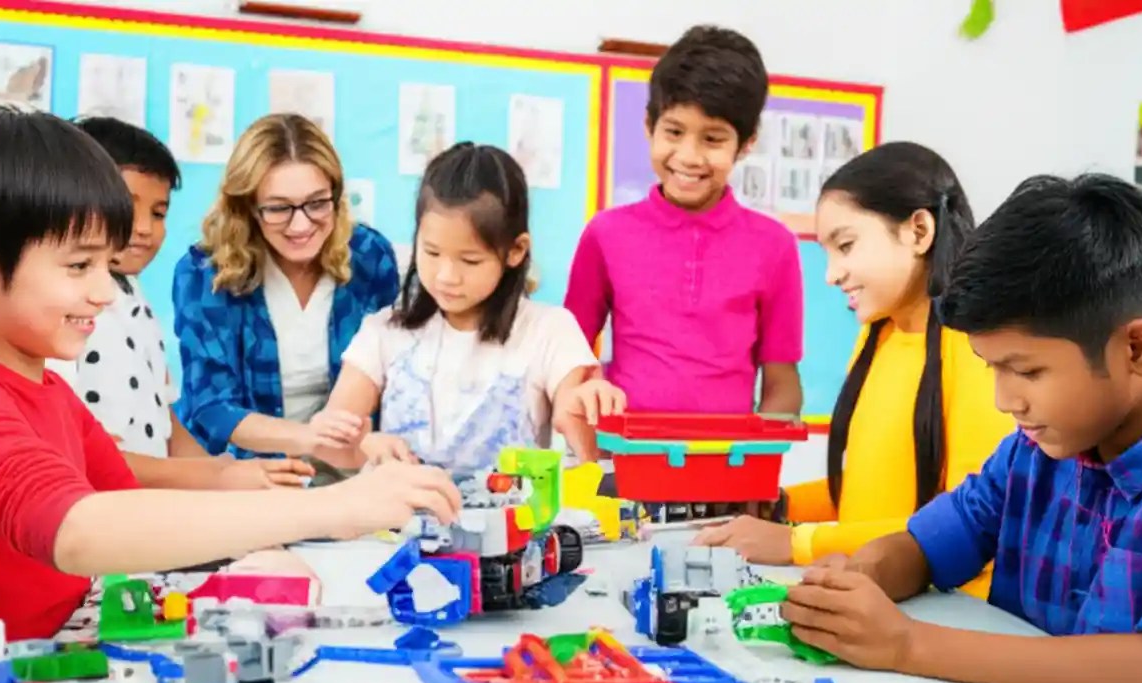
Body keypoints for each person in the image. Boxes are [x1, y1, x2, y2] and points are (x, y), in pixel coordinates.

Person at [0, 106, 460, 661]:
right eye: (78, 267)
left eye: (104, 266)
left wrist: (252, 530)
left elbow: (139, 500)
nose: (106, 292)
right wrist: (335, 507)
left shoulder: (45, 390)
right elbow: (79, 530)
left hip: (59, 639)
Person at [781, 174, 1142, 683]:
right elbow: (925, 546)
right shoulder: (1029, 456)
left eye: (1026, 371)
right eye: (992, 368)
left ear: (1138, 349)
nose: (1005, 400)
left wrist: (908, 645)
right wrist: (858, 580)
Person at [694, 143, 1013, 598]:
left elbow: (966, 524)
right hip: (877, 596)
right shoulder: (875, 337)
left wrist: (797, 542)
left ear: (918, 231)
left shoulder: (975, 350)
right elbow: (870, 493)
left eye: (846, 246)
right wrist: (784, 506)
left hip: (950, 608)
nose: (831, 274)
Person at [316, 142, 626, 475]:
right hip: (395, 524)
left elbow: (576, 423)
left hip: (508, 524)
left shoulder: (549, 331)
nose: (446, 276)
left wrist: (588, 406)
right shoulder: (385, 331)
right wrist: (366, 446)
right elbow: (329, 443)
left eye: (470, 260)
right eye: (432, 253)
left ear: (515, 251)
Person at [50, 116, 313, 488]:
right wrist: (218, 475)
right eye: (127, 206)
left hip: (149, 506)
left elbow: (166, 422)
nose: (143, 227)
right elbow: (84, 459)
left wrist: (230, 479)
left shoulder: (134, 300)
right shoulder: (63, 311)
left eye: (158, 213)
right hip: (103, 513)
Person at [564, 25, 803, 416]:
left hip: (727, 467)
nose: (689, 157)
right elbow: (568, 357)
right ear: (649, 126)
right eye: (674, 132)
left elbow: (782, 381)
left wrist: (754, 460)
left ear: (746, 143)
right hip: (624, 459)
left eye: (713, 139)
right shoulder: (606, 234)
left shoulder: (775, 246)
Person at [172, 113, 399, 461]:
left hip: (345, 464)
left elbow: (392, 373)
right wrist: (309, 439)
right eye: (278, 208)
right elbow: (212, 407)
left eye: (317, 202)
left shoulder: (368, 256)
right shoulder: (204, 274)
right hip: (238, 469)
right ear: (248, 207)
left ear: (336, 196)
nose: (301, 224)